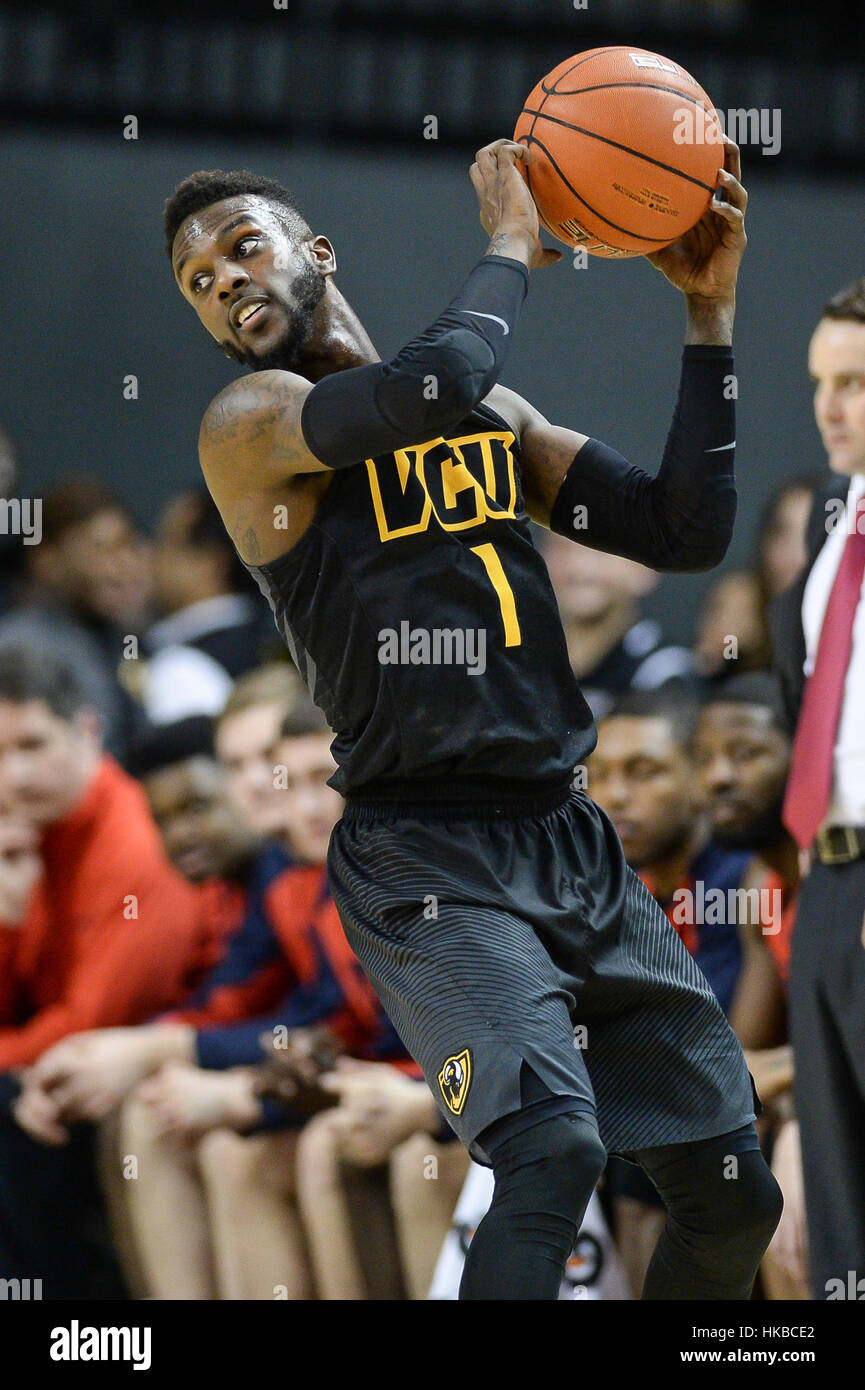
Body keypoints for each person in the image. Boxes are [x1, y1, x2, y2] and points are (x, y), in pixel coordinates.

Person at [163, 134, 781, 1300]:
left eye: (244, 248)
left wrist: (709, 317)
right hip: (422, 850)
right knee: (551, 1151)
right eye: (200, 283)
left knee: (735, 1198)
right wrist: (510, 240)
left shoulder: (490, 411)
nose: (228, 283)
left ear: (316, 250)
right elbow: (423, 384)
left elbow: (682, 531)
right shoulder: (251, 424)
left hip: (566, 831)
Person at [0, 646, 205, 1298]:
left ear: (87, 731)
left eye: (33, 743)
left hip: (137, 1069)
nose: (14, 773)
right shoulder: (27, 833)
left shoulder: (132, 841)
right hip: (74, 1071)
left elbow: (92, 1021)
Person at [769, 277, 865, 1298]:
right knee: (842, 1228)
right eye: (819, 383)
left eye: (855, 383)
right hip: (832, 883)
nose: (829, 406)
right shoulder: (833, 509)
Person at [142, 487, 272, 722]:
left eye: (165, 542)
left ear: (211, 561)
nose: (152, 556)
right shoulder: (281, 637)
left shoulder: (179, 668)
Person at [540, 534, 694, 721]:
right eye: (561, 548)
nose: (577, 568)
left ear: (645, 567)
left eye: (599, 550)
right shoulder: (515, 659)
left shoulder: (664, 670)